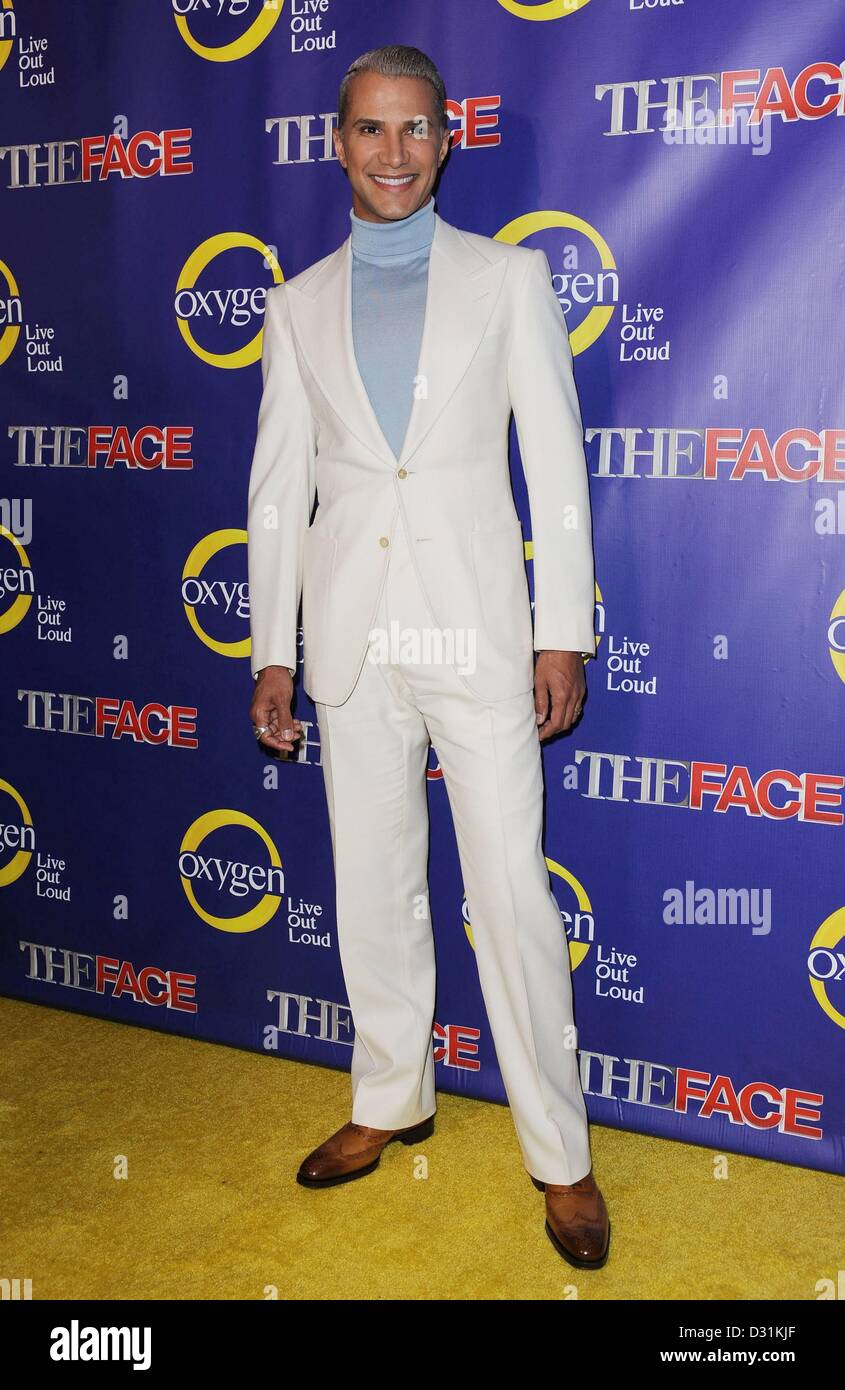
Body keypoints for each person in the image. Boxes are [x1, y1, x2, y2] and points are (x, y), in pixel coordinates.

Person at [246, 44, 610, 1270]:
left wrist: (560, 626)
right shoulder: (292, 308)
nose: (391, 153)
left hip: (473, 630)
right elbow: (275, 494)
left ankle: (559, 1157)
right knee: (374, 887)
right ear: (335, 142)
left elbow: (553, 468)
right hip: (349, 641)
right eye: (368, 130)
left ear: (446, 141)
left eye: (413, 130)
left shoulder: (509, 282)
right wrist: (272, 649)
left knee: (507, 893)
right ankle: (389, 1097)